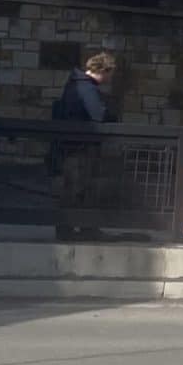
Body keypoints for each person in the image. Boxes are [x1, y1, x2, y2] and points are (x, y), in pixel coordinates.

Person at [50, 51, 118, 241]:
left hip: (69, 146)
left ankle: (69, 228)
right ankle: (83, 228)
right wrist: (111, 114)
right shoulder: (86, 88)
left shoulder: (74, 84)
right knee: (81, 188)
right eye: (109, 74)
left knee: (73, 188)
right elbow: (100, 115)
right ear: (103, 71)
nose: (109, 78)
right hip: (80, 147)